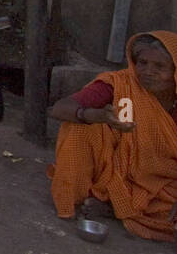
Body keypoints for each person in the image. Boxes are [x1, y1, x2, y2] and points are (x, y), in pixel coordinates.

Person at [48, 32, 177, 241]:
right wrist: (95, 115)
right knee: (79, 127)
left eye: (159, 67)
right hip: (114, 169)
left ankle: (112, 203)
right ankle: (106, 197)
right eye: (142, 63)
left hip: (160, 180)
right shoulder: (121, 83)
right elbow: (60, 108)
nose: (147, 71)